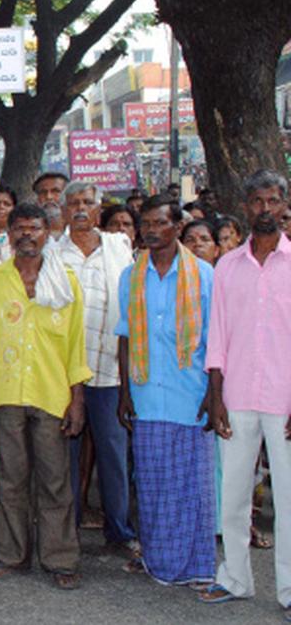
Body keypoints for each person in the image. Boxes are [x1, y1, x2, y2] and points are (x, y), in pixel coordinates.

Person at [0, 203, 92, 590]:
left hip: (51, 395)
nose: (26, 234)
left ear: (46, 232)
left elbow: (76, 346)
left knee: (55, 482)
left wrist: (77, 401)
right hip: (6, 395)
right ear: (9, 233)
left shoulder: (65, 279)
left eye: (34, 228)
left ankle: (60, 558)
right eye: (19, 228)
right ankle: (11, 555)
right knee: (10, 480)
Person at [200, 170, 291, 616]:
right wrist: (216, 397)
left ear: (284, 205)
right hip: (236, 395)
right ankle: (235, 578)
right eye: (257, 201)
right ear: (246, 205)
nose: (265, 209)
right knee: (233, 495)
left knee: (290, 500)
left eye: (272, 200)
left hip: (285, 399)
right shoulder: (228, 266)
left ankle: (290, 592)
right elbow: (216, 336)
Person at [116, 194, 216, 586]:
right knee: (154, 484)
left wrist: (214, 393)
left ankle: (194, 564)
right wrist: (125, 392)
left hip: (190, 394)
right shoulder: (131, 275)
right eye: (147, 224)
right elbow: (124, 336)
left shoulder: (204, 275)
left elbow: (216, 340)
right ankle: (159, 560)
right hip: (145, 394)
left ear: (178, 227)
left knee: (191, 485)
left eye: (161, 223)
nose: (152, 231)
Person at [55, 182, 138, 556]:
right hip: (63, 374)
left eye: (88, 202)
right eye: (73, 203)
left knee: (113, 452)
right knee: (63, 456)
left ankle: (118, 531)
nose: (80, 209)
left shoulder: (118, 247)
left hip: (108, 371)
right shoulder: (52, 253)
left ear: (99, 207)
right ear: (62, 209)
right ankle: (64, 530)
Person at [33, 172, 69, 239]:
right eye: (43, 192)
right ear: (36, 199)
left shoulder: (82, 231)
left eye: (56, 191)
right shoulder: (30, 235)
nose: (49, 197)